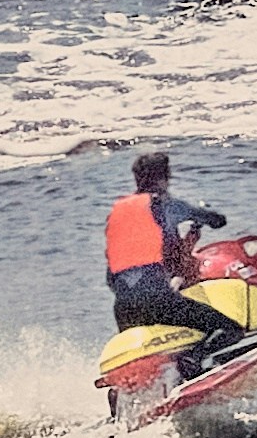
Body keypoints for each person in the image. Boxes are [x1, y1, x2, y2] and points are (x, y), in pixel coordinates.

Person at [105, 150, 247, 364]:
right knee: (229, 328)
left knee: (143, 357)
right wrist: (202, 220)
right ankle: (193, 361)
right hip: (157, 302)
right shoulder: (167, 205)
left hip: (123, 308)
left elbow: (118, 269)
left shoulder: (118, 213)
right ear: (163, 178)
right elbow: (217, 221)